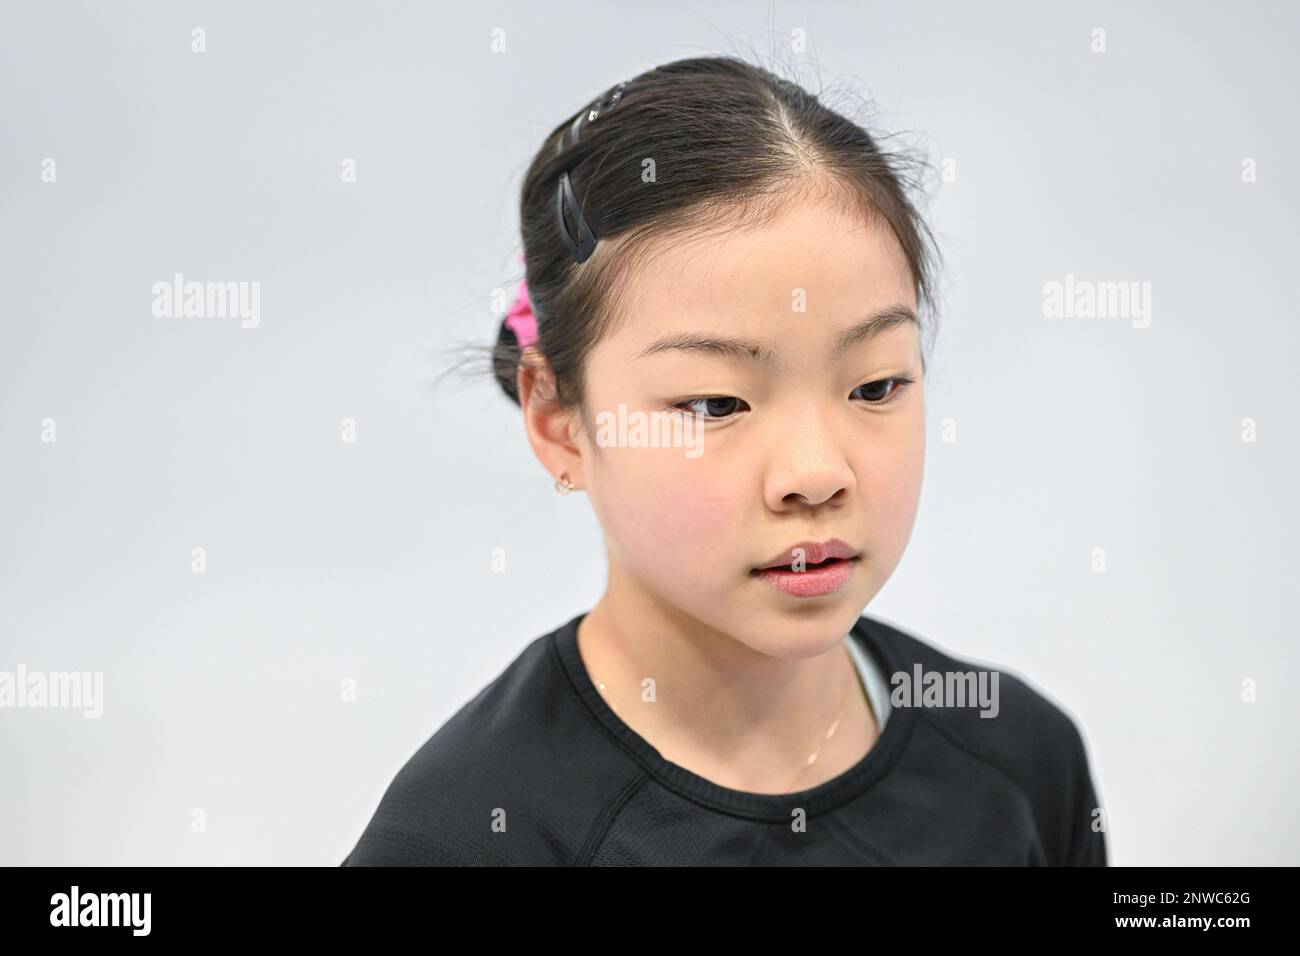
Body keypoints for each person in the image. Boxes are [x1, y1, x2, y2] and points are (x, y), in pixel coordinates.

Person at [342, 55, 1107, 865]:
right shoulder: (466, 836)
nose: (816, 474)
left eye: (876, 384)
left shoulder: (1021, 758)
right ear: (559, 420)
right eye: (715, 405)